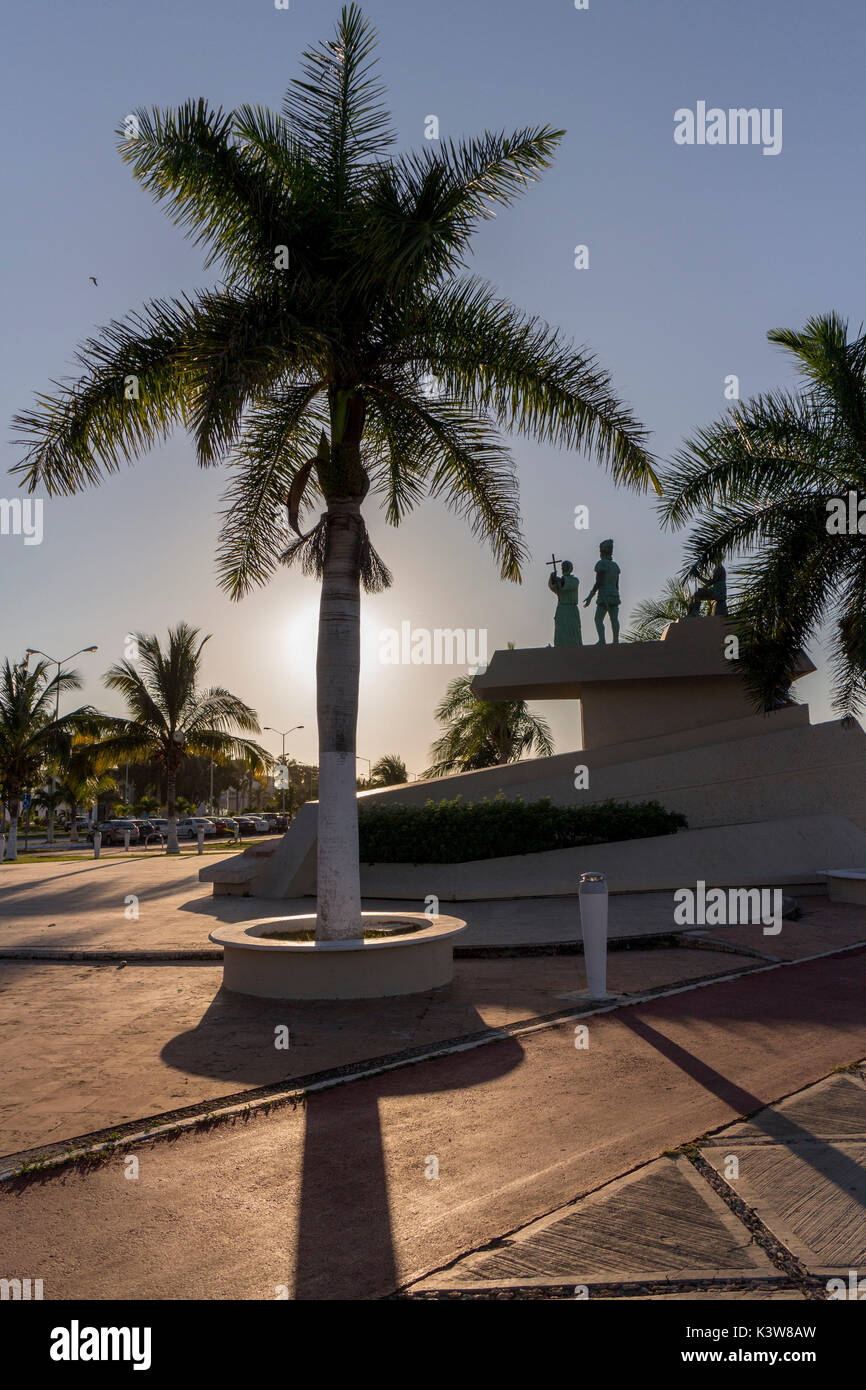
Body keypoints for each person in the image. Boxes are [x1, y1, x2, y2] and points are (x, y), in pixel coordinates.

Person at [584, 539, 621, 644]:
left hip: (604, 594)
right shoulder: (615, 566)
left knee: (598, 619)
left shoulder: (601, 564)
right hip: (614, 595)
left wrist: (590, 596)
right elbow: (616, 585)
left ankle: (602, 640)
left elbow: (598, 582)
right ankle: (615, 640)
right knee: (614, 619)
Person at [547, 560, 583, 646]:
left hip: (571, 609)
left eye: (566, 566)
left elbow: (566, 584)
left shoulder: (574, 580)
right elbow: (553, 587)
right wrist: (552, 578)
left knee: (572, 630)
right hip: (561, 609)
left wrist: (558, 579)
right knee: (561, 630)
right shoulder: (559, 582)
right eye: (563, 567)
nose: (564, 568)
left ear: (570, 568)